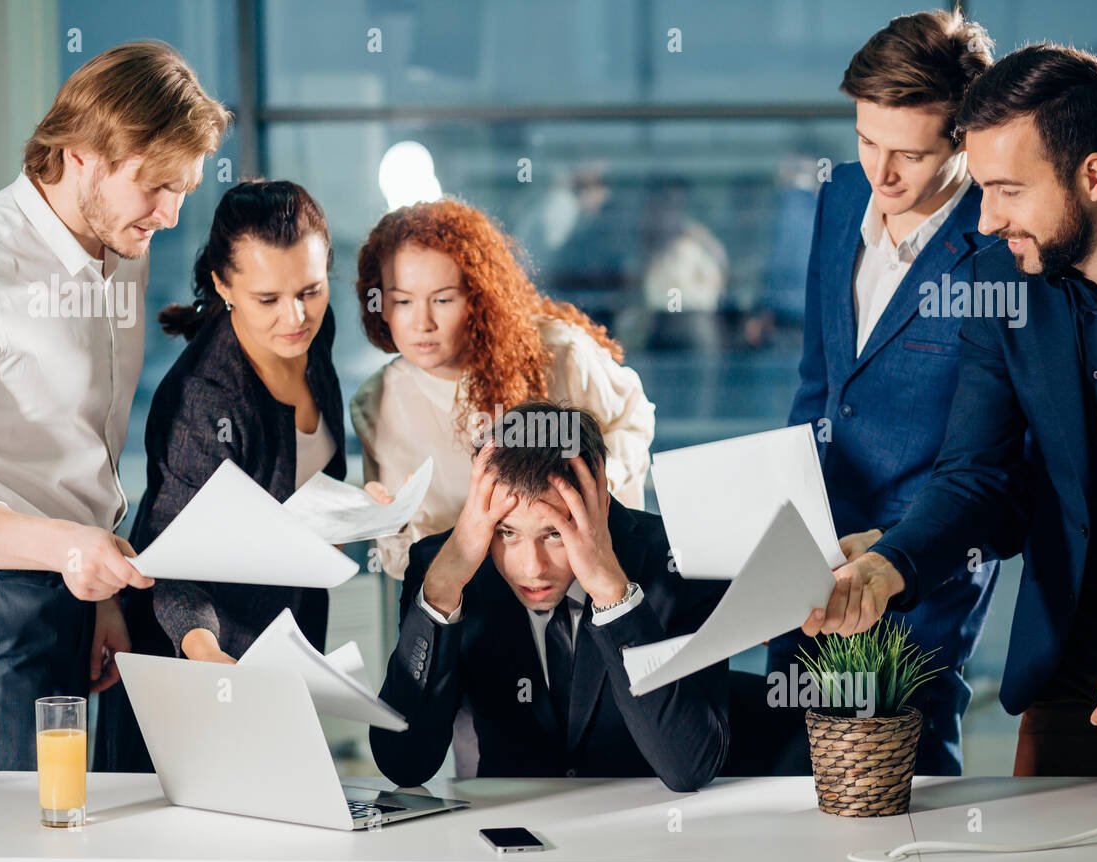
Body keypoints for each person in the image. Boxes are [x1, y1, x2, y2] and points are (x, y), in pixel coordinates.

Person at [803, 44, 1097, 776]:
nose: (985, 218)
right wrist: (889, 564)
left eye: (1007, 189)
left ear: (1092, 175)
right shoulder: (997, 281)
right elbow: (978, 476)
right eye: (980, 188)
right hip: (1068, 650)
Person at [0, 42, 229, 771]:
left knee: (70, 831)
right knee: (4, 854)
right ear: (81, 154)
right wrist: (70, 550)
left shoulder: (120, 247)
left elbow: (83, 449)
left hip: (71, 594)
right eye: (156, 187)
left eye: (184, 190)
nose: (169, 215)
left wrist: (92, 588)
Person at [767, 9, 1000, 775]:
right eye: (867, 141)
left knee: (906, 783)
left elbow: (1006, 457)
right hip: (810, 554)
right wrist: (788, 514)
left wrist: (899, 550)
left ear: (966, 140)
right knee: (786, 765)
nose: (882, 173)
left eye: (909, 154)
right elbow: (819, 384)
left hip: (923, 571)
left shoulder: (1000, 254)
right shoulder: (838, 199)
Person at [97, 181, 355, 771]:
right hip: (194, 658)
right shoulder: (202, 399)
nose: (296, 318)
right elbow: (171, 559)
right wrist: (204, 654)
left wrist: (343, 513)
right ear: (222, 284)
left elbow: (302, 480)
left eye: (310, 291)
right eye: (268, 299)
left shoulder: (319, 331)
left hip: (279, 636)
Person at [370, 401, 730, 793]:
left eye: (555, 533)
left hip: (648, 832)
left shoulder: (681, 562)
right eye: (507, 533)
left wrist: (613, 595)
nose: (532, 568)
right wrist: (441, 590)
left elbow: (690, 767)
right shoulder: (441, 571)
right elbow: (403, 764)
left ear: (601, 507)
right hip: (505, 835)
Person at [350, 198, 655, 580]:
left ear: (478, 298)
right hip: (474, 607)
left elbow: (634, 419)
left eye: (443, 300)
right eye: (402, 302)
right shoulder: (377, 403)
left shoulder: (558, 353)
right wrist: (389, 523)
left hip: (581, 588)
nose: (421, 322)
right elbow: (401, 564)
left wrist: (592, 486)